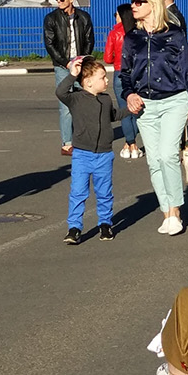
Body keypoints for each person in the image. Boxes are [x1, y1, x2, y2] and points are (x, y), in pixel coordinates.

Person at [120, 0, 188, 236]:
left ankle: (176, 211)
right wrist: (129, 94)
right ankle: (166, 211)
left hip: (173, 101)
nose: (133, 6)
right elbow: (124, 73)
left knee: (168, 154)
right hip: (145, 105)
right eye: (133, 1)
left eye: (139, 2)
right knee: (154, 159)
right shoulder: (131, 38)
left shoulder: (175, 35)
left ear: (153, 5)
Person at [57, 55, 116, 244]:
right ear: (89, 82)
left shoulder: (106, 100)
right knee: (78, 192)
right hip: (82, 154)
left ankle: (105, 224)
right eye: (102, 77)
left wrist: (134, 109)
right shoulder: (75, 99)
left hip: (104, 154)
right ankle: (74, 227)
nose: (107, 80)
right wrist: (73, 74)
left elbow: (113, 115)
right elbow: (60, 92)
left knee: (104, 192)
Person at [44, 0, 93, 156]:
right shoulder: (51, 19)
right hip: (62, 66)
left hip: (80, 63)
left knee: (83, 101)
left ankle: (83, 138)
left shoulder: (84, 17)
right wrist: (66, 63)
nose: (58, 1)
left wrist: (82, 59)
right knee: (65, 104)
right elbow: (50, 44)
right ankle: (67, 143)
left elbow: (89, 40)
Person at [102, 2, 142, 159]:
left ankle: (130, 143)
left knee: (124, 110)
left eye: (117, 14)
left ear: (121, 15)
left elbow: (107, 58)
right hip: (137, 74)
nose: (115, 17)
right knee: (137, 110)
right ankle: (133, 143)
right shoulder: (139, 31)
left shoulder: (114, 33)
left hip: (120, 72)